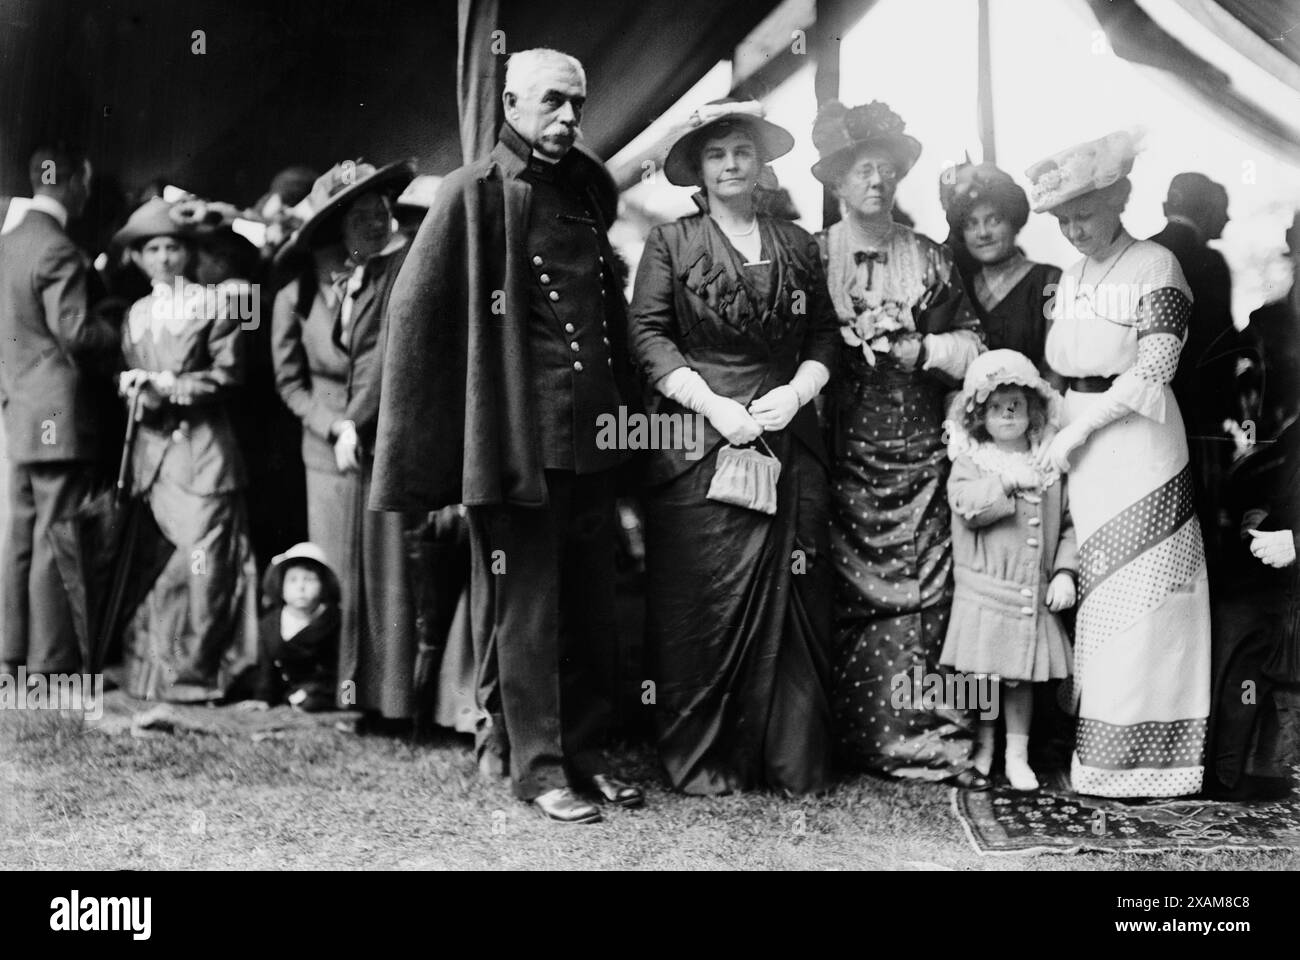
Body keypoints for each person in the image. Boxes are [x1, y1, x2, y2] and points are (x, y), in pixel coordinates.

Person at [371, 49, 643, 823]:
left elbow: (607, 321)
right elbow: (416, 322)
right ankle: (540, 769)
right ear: (513, 103)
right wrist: (459, 445)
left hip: (593, 434)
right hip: (522, 441)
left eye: (578, 105)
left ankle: (586, 756)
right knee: (530, 608)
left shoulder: (585, 193)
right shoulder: (472, 193)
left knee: (594, 602)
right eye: (554, 103)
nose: (568, 119)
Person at [628, 100, 838, 795]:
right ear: (699, 168)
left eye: (742, 150)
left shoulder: (799, 245)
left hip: (788, 441)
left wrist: (799, 392)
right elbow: (648, 335)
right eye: (717, 153)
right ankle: (707, 760)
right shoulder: (671, 243)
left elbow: (822, 336)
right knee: (703, 602)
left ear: (762, 161)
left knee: (797, 592)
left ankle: (786, 757)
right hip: (699, 445)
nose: (731, 164)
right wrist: (711, 403)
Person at [810, 100, 988, 788]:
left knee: (926, 593)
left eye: (886, 171)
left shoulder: (930, 259)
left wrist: (919, 350)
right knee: (848, 592)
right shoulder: (814, 255)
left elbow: (976, 347)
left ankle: (929, 735)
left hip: (917, 447)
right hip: (840, 443)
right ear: (838, 181)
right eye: (862, 171)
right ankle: (854, 732)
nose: (877, 183)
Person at [1031, 130, 1210, 798]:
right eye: (1063, 218)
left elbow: (1154, 371)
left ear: (1119, 199)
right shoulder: (1071, 278)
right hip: (1082, 441)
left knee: (1144, 603)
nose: (1074, 229)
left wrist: (1079, 434)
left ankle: (1153, 763)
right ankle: (1097, 755)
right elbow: (1067, 369)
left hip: (1140, 443)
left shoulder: (1157, 265)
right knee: (1094, 593)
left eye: (1086, 213)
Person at [271, 159, 419, 725]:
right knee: (333, 570)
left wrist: (356, 424)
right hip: (325, 449)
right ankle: (333, 688)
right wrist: (331, 425)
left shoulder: (399, 276)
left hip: (384, 437)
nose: (377, 223)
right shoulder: (298, 292)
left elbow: (390, 361)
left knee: (386, 569)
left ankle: (389, 698)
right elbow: (290, 382)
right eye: (361, 215)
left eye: (382, 210)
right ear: (336, 226)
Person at [112, 197, 259, 701]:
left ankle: (200, 673)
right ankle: (159, 672)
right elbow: (137, 377)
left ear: (187, 252)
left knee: (207, 564)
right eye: (152, 248)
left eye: (172, 247)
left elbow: (227, 376)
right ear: (138, 257)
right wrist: (135, 388)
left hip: (202, 456)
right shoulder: (136, 314)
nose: (163, 257)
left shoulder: (213, 303)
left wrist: (167, 383)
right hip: (153, 459)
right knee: (166, 567)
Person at [0, 145, 118, 678]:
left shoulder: (7, 246)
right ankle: (51, 662)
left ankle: (12, 651)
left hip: (20, 409)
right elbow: (75, 333)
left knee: (21, 532)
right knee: (56, 534)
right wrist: (120, 326)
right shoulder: (60, 250)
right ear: (78, 179)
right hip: (59, 414)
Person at [939, 350, 1077, 790]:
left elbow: (1071, 523)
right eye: (996, 408)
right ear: (980, 416)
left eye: (1016, 406)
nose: (1007, 415)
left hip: (1029, 593)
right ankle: (984, 747)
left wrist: (1064, 572)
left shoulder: (1048, 463)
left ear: (1033, 411)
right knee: (985, 677)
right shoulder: (973, 461)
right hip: (986, 590)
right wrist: (1004, 482)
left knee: (1020, 681)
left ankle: (1017, 755)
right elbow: (966, 506)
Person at [1148, 173, 1239, 572]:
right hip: (1199, 406)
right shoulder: (1211, 261)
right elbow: (1221, 344)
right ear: (1205, 209)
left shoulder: (1144, 252)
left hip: (1150, 403)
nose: (1229, 218)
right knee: (1200, 499)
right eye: (1223, 208)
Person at [942, 162, 1061, 375]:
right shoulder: (962, 290)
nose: (982, 233)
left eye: (993, 220)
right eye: (971, 224)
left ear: (1013, 222)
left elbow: (1056, 364)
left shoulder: (1049, 281)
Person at [245, 542, 341, 712]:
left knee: (317, 701)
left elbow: (334, 668)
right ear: (281, 588)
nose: (300, 587)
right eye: (293, 580)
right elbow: (267, 665)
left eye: (309, 579)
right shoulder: (270, 623)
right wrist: (263, 697)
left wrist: (311, 689)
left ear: (324, 585)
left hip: (321, 685)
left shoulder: (333, 620)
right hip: (286, 684)